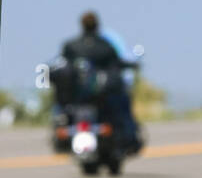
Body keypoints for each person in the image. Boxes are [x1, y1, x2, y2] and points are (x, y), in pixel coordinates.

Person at [60, 11, 141, 153]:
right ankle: (127, 140)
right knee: (122, 103)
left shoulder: (71, 46)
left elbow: (61, 64)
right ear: (97, 26)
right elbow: (117, 64)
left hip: (76, 99)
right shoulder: (105, 47)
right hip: (99, 98)